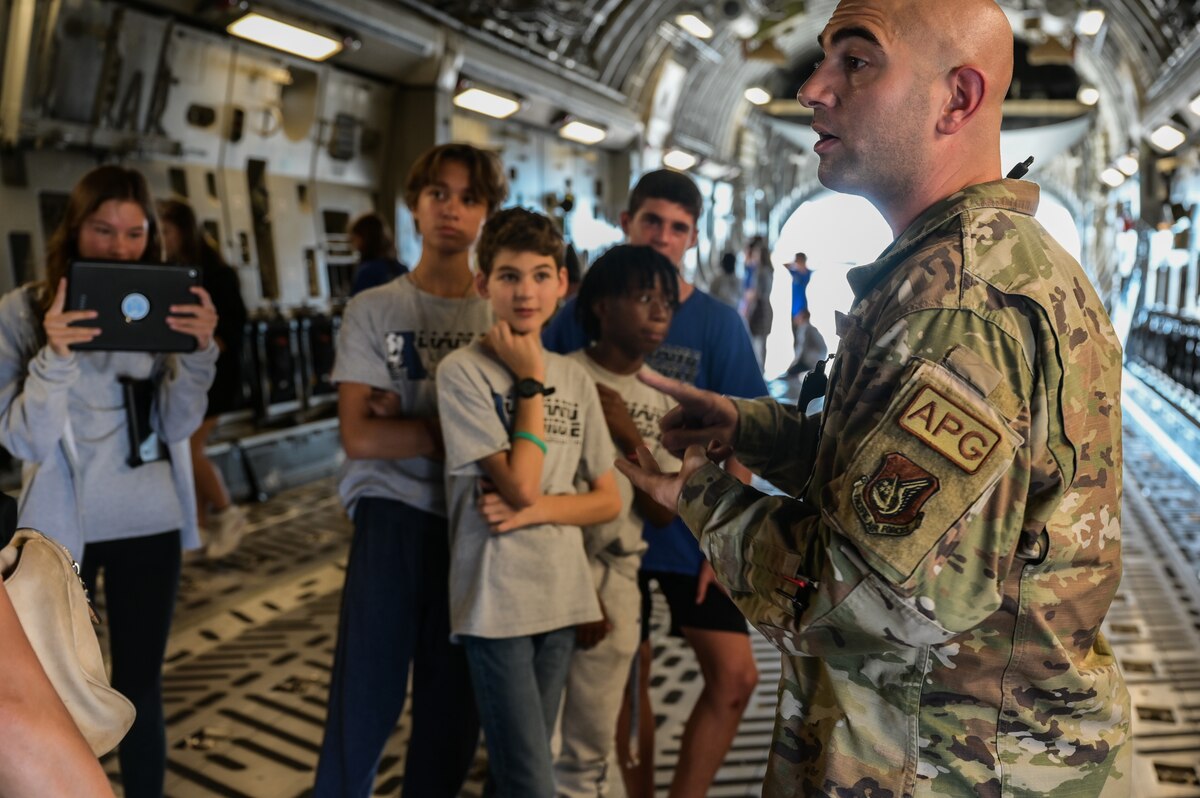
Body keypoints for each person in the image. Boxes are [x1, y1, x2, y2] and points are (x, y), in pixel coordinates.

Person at [619, 0, 1130, 795]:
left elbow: (871, 597)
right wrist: (750, 430)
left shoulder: (956, 302)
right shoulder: (984, 264)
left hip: (943, 763)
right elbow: (896, 489)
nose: (813, 89)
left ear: (957, 99)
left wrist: (693, 491)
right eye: (823, 59)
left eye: (855, 62)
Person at [543, 169, 764, 798]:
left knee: (734, 677)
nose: (663, 237)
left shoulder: (716, 325)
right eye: (652, 223)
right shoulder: (582, 315)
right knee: (624, 689)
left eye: (677, 228)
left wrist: (724, 540)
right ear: (627, 223)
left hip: (688, 532)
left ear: (692, 238)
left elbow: (743, 429)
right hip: (609, 532)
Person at [0, 164, 218, 798]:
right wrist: (56, 356)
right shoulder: (23, 312)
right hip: (56, 535)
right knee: (51, 687)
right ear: (75, 230)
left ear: (152, 238)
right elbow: (24, 439)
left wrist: (200, 354)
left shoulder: (161, 309)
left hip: (148, 522)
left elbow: (177, 422)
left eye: (134, 233)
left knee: (140, 686)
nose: (119, 247)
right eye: (103, 230)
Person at [314, 143, 508, 797]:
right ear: (415, 205)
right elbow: (361, 436)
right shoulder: (375, 308)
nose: (451, 210)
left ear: (489, 213)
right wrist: (460, 429)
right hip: (390, 518)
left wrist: (414, 425)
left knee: (451, 716)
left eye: (470, 198)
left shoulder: (502, 317)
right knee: (361, 701)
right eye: (438, 195)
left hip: (475, 524)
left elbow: (519, 438)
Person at [436, 207, 621, 797]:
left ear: (563, 284)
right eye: (510, 276)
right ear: (482, 282)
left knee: (525, 770)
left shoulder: (577, 378)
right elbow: (518, 483)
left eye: (542, 274)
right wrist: (527, 383)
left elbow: (607, 499)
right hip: (497, 604)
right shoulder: (461, 373)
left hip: (561, 594)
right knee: (531, 783)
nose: (526, 291)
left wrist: (537, 512)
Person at [556, 245, 681, 797]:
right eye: (643, 298)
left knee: (591, 745)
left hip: (618, 579)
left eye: (666, 302)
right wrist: (578, 592)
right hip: (552, 569)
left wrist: (630, 434)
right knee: (534, 739)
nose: (658, 312)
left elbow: (661, 513)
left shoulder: (660, 400)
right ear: (602, 305)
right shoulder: (562, 376)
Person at [158, 198, 249, 558]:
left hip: (215, 375)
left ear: (183, 231)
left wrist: (202, 345)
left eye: (166, 231)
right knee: (183, 451)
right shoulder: (172, 271)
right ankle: (196, 527)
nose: (162, 239)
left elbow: (234, 326)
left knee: (189, 449)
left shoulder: (216, 275)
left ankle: (227, 513)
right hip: (185, 374)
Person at [782, 252, 827, 377]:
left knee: (802, 338)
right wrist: (794, 264)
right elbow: (785, 265)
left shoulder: (806, 274)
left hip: (802, 310)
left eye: (799, 261)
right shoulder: (795, 273)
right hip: (794, 311)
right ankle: (796, 363)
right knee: (796, 338)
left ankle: (798, 365)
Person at [349, 211, 408, 295]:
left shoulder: (366, 272)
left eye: (355, 238)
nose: (353, 244)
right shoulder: (402, 269)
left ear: (364, 238)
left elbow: (358, 304)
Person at [741, 236, 774, 369]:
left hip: (758, 311)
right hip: (765, 309)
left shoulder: (759, 272)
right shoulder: (769, 271)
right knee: (761, 345)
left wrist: (746, 311)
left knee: (756, 345)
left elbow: (754, 294)